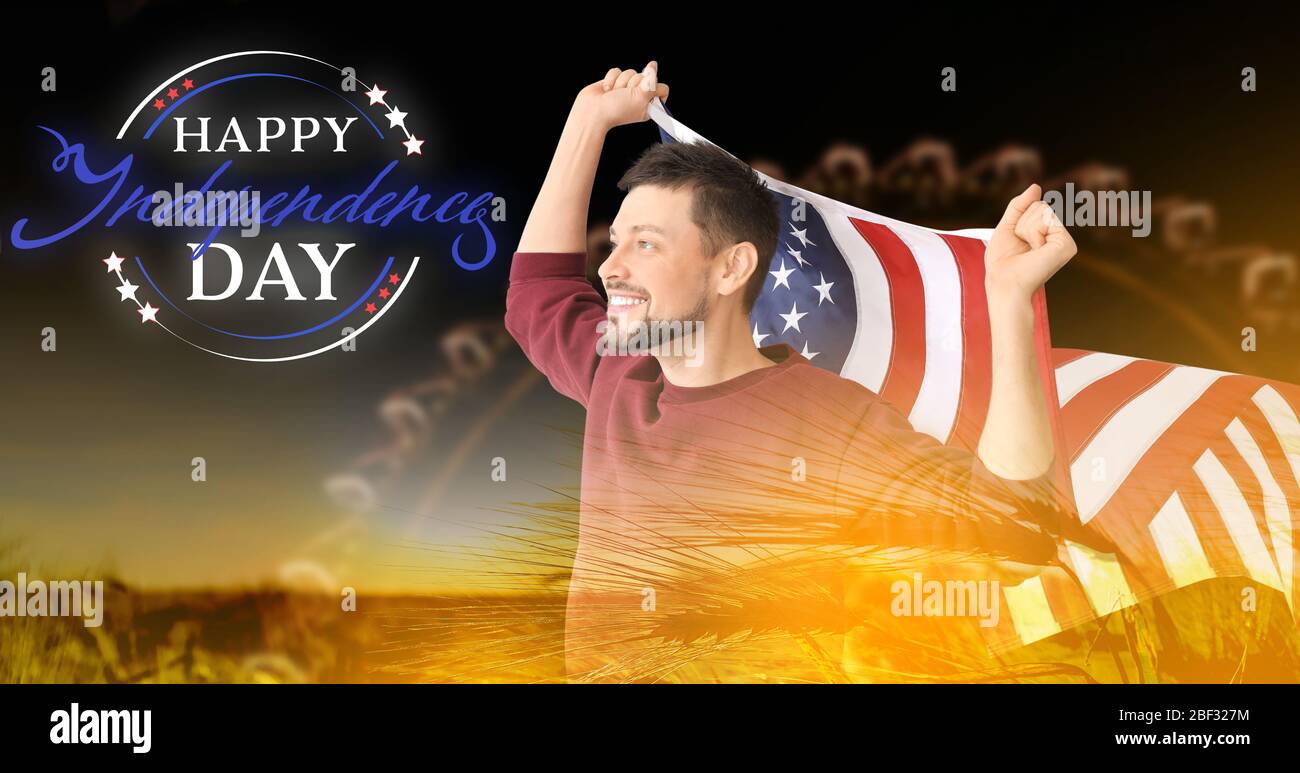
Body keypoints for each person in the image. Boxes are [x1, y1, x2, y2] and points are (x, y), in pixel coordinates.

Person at [506, 62, 1081, 683]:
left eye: (645, 244)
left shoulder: (828, 422)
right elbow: (539, 289)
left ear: (731, 269)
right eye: (614, 242)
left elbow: (1014, 525)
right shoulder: (619, 377)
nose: (611, 268)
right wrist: (587, 122)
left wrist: (1008, 299)